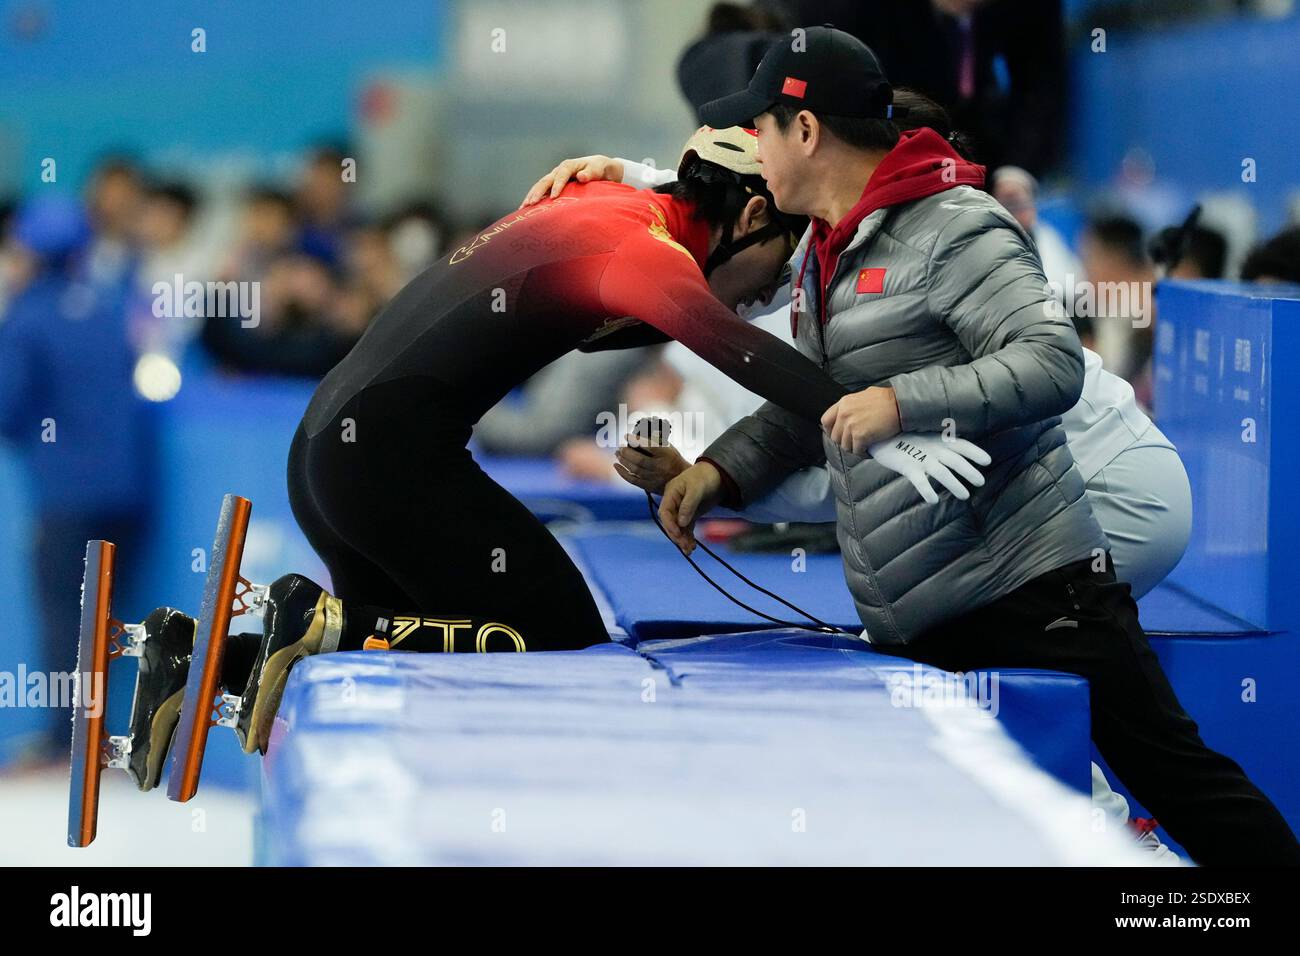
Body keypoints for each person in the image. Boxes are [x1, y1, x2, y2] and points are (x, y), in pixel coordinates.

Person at [646, 26, 1297, 865]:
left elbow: (1050, 361)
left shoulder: (952, 226)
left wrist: (899, 401)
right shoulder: (831, 254)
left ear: (805, 131)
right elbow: (810, 406)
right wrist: (717, 472)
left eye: (762, 129)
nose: (753, 151)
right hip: (935, 607)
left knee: (1181, 784)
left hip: (1032, 588)